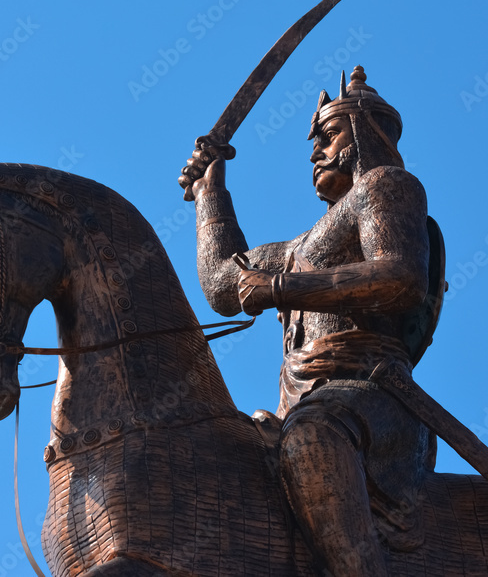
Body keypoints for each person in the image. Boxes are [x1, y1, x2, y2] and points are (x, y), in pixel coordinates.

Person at [183, 65, 442, 576]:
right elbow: (221, 285)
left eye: (328, 134)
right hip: (299, 401)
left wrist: (279, 289)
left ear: (365, 131)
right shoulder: (296, 247)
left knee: (312, 437)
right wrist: (210, 191)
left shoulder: (388, 188)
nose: (314, 150)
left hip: (372, 398)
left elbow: (400, 276)